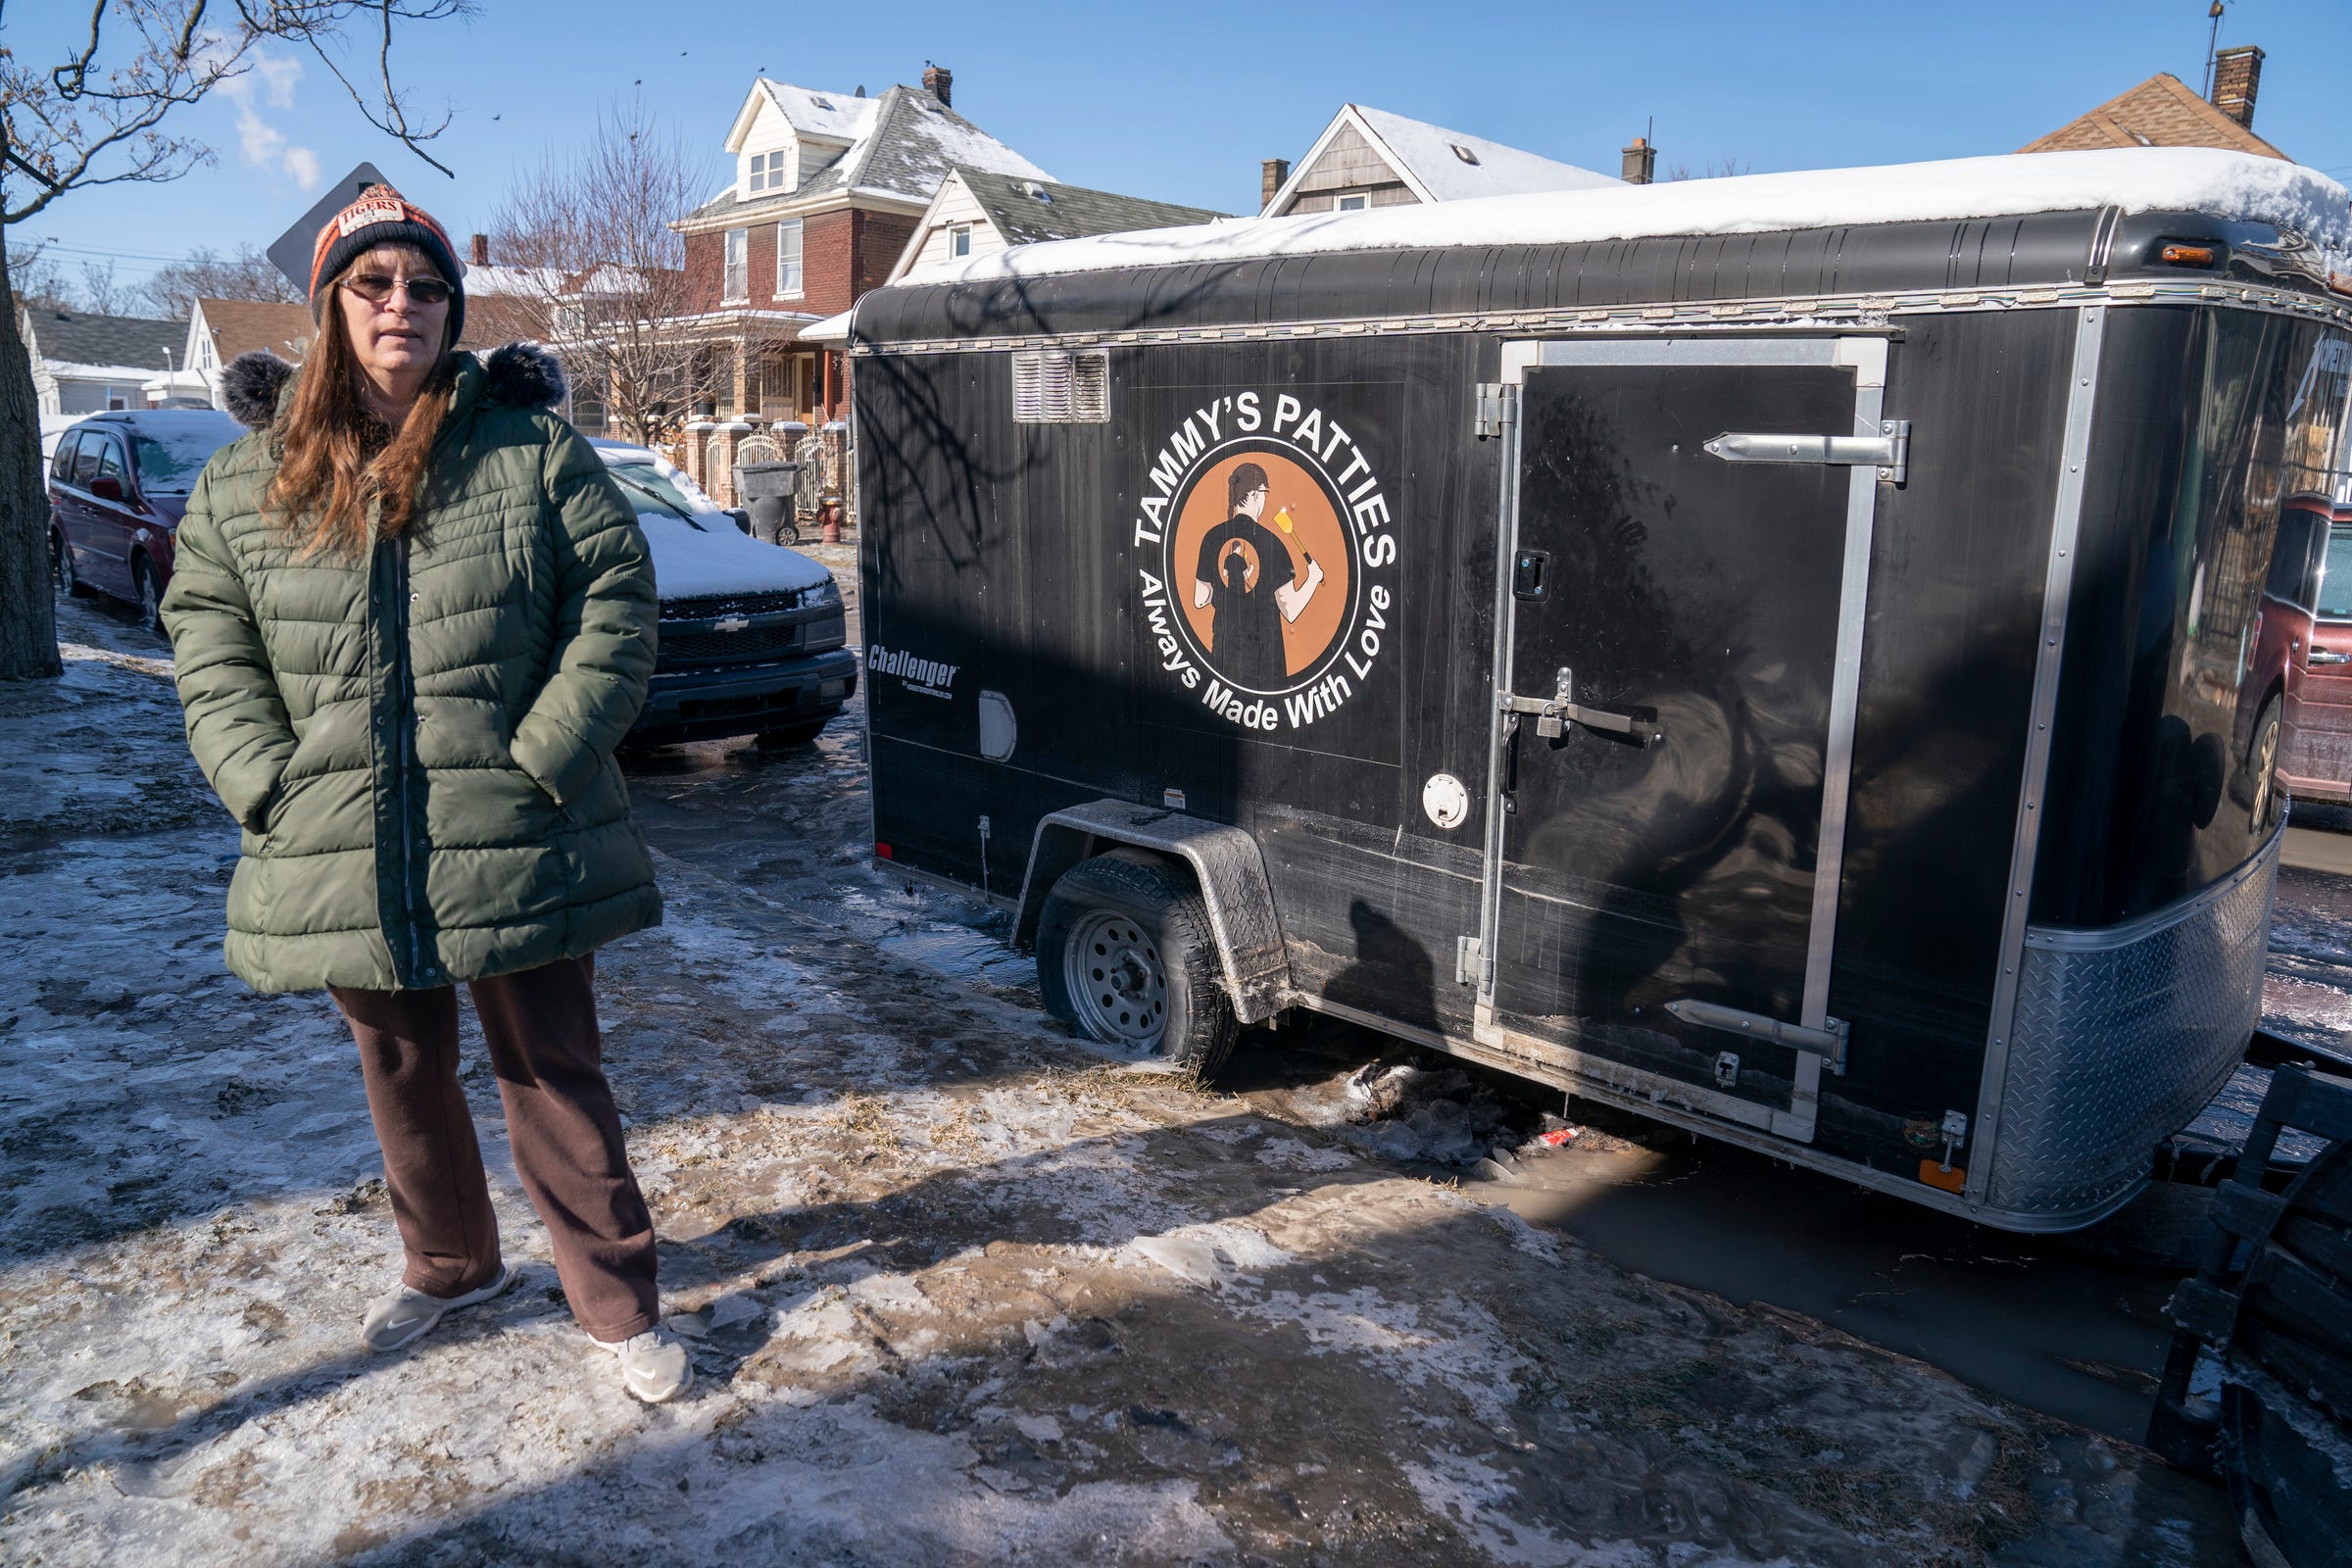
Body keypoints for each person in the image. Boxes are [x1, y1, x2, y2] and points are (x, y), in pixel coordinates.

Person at [160, 185, 689, 1403]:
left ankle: (615, 1304)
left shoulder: (530, 448)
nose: (404, 304)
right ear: (330, 306)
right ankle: (452, 1266)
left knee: (551, 1071)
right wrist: (264, 778)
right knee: (400, 1072)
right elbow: (208, 637)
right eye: (376, 282)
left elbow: (616, 598)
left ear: (455, 310)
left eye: (429, 286)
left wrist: (546, 753)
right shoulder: (248, 481)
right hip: (342, 827)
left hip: (513, 817)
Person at [1189, 462, 1325, 688]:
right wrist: (1312, 579)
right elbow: (1289, 610)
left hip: (1223, 658)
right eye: (1264, 493)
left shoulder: (1211, 538)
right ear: (1255, 494)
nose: (1265, 499)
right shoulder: (1273, 544)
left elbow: (1199, 599)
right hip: (1265, 665)